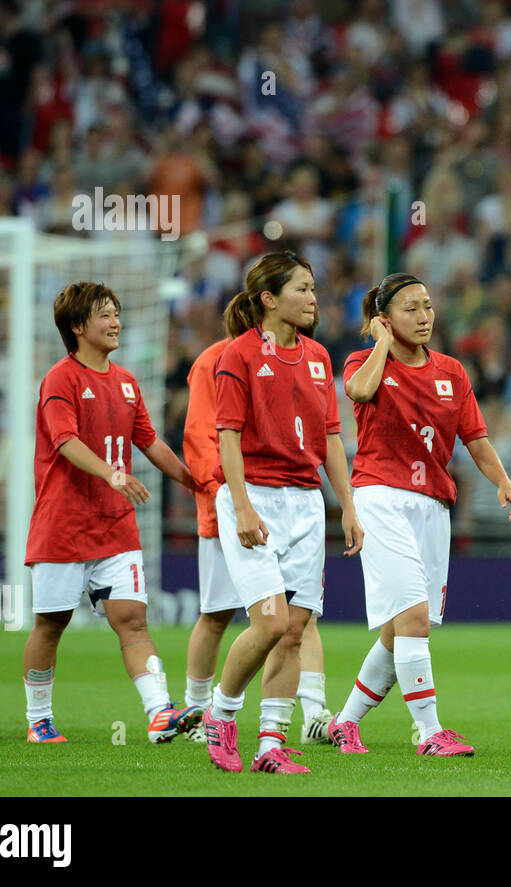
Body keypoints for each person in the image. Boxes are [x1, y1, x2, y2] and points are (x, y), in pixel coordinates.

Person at [333, 272, 511, 757]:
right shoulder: (366, 360)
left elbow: (475, 438)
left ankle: (345, 721)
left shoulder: (452, 372)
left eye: (428, 306)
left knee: (403, 630)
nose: (423, 317)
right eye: (410, 308)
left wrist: (501, 480)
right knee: (412, 619)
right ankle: (429, 732)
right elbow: (357, 391)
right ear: (385, 318)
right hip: (381, 498)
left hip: (434, 506)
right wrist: (380, 344)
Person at [202, 250, 364, 775]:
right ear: (269, 299)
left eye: (314, 288)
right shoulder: (239, 355)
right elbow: (226, 436)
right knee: (269, 621)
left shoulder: (318, 357)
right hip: (255, 497)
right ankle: (222, 713)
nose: (313, 298)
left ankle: (271, 743)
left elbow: (333, 439)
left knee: (295, 628)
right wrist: (243, 505)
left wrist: (348, 507)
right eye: (302, 289)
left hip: (306, 502)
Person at [22, 282, 198, 744]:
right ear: (78, 326)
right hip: (63, 524)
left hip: (116, 526)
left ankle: (160, 712)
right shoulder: (61, 378)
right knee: (51, 623)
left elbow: (150, 442)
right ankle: (38, 719)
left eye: (116, 312)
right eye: (104, 314)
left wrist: (193, 481)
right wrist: (112, 474)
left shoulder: (126, 381)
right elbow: (64, 440)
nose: (116, 320)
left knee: (132, 619)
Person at [181, 297, 334, 745]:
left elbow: (318, 434)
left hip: (291, 506)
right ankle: (198, 709)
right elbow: (202, 437)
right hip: (231, 508)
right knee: (217, 614)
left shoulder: (307, 357)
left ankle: (310, 713)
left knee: (297, 621)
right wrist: (233, 501)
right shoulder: (219, 361)